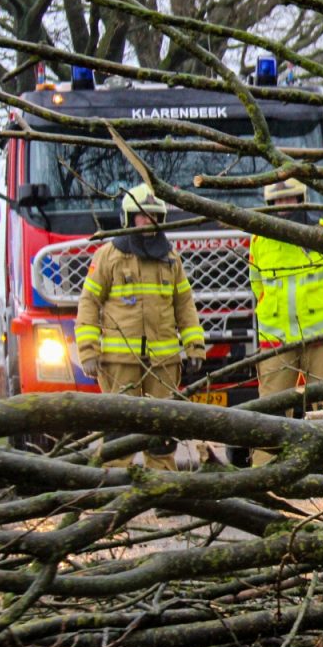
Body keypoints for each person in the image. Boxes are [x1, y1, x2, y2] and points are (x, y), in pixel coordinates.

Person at [75, 183, 205, 470]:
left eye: (154, 215)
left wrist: (194, 345)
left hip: (163, 363)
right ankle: (114, 496)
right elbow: (88, 304)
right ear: (129, 218)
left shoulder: (171, 259)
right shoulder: (107, 256)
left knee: (162, 430)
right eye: (142, 215)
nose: (148, 221)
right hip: (119, 363)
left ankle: (164, 491)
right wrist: (88, 351)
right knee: (119, 430)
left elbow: (185, 305)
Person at [247, 177, 323, 462]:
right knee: (269, 414)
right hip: (276, 341)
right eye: (278, 201)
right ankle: (266, 484)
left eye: (289, 199)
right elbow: (257, 284)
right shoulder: (259, 239)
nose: (283, 206)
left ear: (301, 198)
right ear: (269, 204)